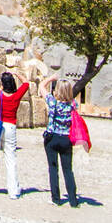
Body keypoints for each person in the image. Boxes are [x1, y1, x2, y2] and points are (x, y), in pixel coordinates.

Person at [0, 69, 30, 199]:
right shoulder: (16, 96)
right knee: (11, 158)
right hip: (10, 126)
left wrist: (1, 87)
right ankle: (13, 191)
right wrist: (17, 74)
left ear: (3, 84)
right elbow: (26, 83)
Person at [39, 76, 79, 207]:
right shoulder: (73, 104)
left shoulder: (52, 101)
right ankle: (73, 200)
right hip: (66, 138)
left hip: (52, 137)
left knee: (53, 168)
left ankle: (56, 198)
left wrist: (51, 78)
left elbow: (41, 86)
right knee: (68, 170)